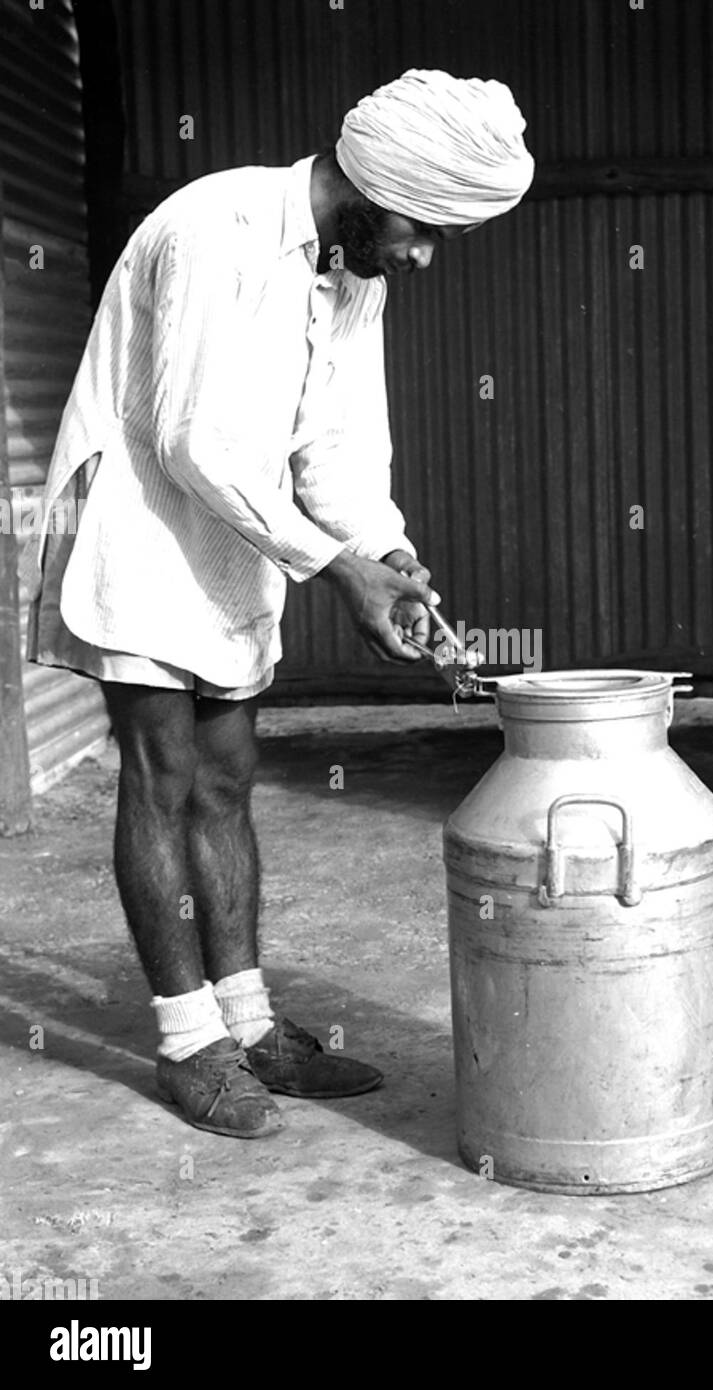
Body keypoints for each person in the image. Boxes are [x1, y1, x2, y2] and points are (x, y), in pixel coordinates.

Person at [21, 69, 534, 1139]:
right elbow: (189, 441)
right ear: (369, 181)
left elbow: (338, 445)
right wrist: (333, 567)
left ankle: (247, 1023)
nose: (422, 254)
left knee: (229, 777)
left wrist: (383, 550)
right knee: (164, 774)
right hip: (138, 522)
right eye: (420, 228)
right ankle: (185, 1041)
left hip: (237, 534)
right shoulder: (216, 227)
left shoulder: (356, 278)